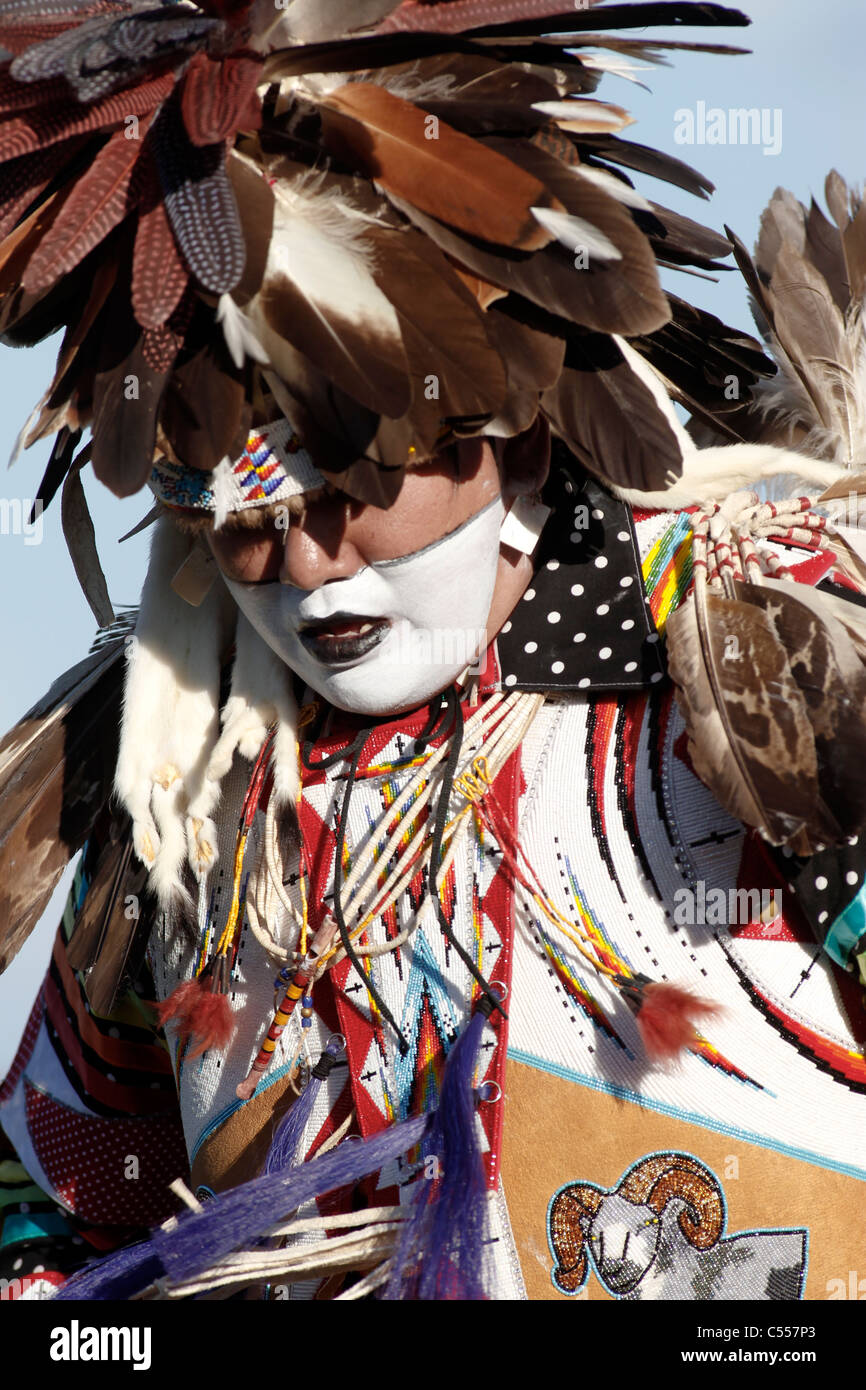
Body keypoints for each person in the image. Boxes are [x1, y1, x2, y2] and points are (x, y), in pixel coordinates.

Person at [1, 0, 866, 1302]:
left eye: (350, 479)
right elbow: (53, 1230)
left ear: (513, 432)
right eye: (241, 519)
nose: (307, 559)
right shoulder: (175, 798)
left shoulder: (754, 655)